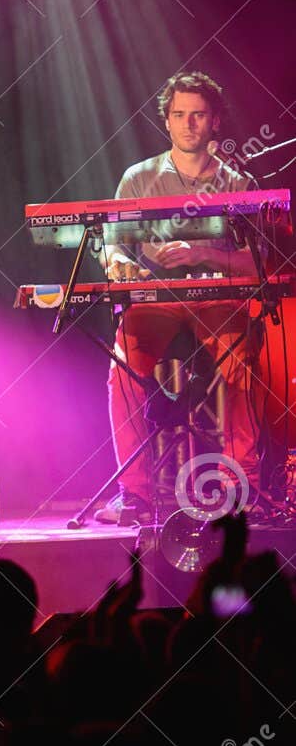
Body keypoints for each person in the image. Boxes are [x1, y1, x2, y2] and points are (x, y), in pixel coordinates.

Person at [96, 71, 261, 524]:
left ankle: (239, 484)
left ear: (215, 121)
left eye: (198, 115)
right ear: (166, 120)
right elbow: (110, 245)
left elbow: (258, 262)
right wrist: (119, 264)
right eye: (179, 114)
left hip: (218, 299)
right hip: (156, 298)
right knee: (122, 370)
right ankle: (135, 494)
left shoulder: (237, 182)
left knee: (241, 363)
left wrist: (204, 252)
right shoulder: (138, 178)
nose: (188, 124)